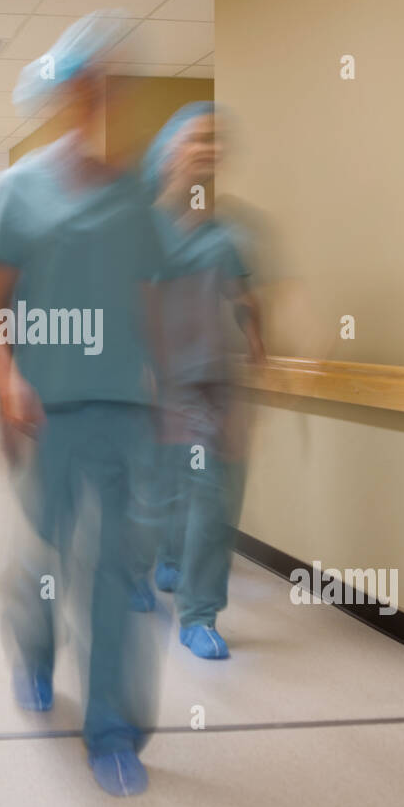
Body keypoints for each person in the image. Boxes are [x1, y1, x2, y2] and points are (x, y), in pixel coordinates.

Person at [0, 10, 165, 798]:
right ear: (62, 93)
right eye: (83, 81)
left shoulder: (135, 197)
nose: (96, 94)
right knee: (45, 553)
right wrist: (6, 376)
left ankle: (114, 729)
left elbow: (151, 299)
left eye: (108, 81)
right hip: (45, 408)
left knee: (118, 569)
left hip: (124, 405)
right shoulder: (18, 192)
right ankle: (33, 650)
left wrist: (171, 388)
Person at [143, 103, 267, 659]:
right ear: (170, 151)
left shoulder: (228, 232)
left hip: (213, 384)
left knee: (212, 498)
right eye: (196, 138)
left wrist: (257, 345)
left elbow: (244, 299)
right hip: (153, 382)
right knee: (157, 491)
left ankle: (199, 614)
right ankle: (152, 565)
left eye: (215, 139)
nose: (207, 148)